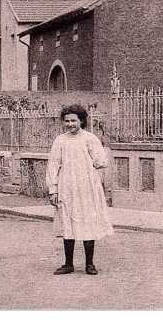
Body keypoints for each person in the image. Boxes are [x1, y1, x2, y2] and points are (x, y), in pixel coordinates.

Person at [46, 104, 113, 275]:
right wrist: (53, 189)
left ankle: (89, 264)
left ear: (81, 120)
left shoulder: (89, 138)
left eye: (73, 120)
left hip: (86, 187)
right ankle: (68, 264)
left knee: (88, 221)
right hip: (66, 187)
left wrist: (91, 177)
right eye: (67, 121)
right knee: (68, 222)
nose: (70, 124)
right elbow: (53, 165)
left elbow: (101, 161)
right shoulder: (60, 140)